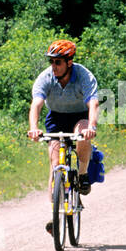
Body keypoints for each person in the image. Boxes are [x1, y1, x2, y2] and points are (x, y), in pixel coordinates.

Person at [27, 40, 99, 233]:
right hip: (56, 118)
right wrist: (34, 128)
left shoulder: (84, 75)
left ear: (69, 62)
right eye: (52, 62)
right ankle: (55, 213)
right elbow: (37, 104)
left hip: (79, 117)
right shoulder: (46, 77)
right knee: (54, 164)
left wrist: (91, 126)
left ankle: (82, 174)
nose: (54, 66)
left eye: (58, 62)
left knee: (83, 134)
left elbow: (93, 103)